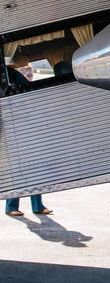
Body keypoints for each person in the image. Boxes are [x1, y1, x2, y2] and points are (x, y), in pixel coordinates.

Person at [3, 62, 52, 214]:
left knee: (33, 168)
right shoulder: (8, 76)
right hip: (12, 132)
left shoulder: (10, 74)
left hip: (22, 130)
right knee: (17, 171)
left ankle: (37, 205)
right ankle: (11, 207)